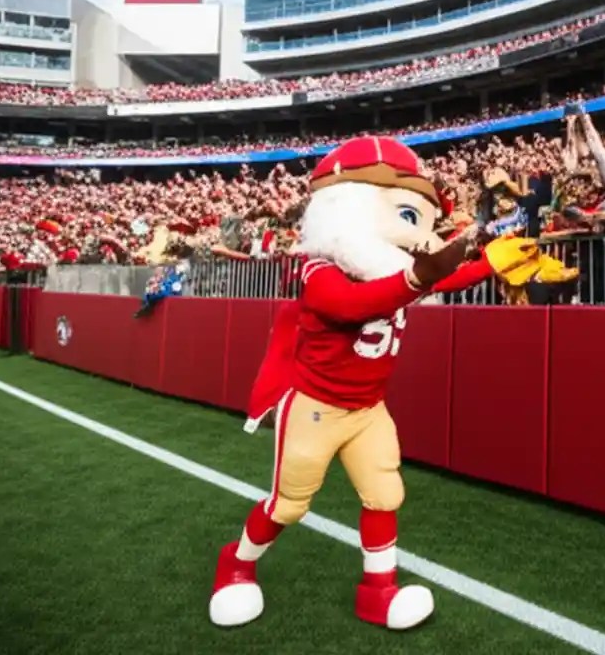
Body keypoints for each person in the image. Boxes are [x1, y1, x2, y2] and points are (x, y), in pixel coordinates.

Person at [208, 136, 564, 631]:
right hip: (316, 407)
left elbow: (432, 281)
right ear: (350, 207)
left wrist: (491, 264)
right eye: (408, 216)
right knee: (289, 505)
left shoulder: (393, 268)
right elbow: (349, 305)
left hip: (367, 409)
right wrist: (420, 277)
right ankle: (236, 565)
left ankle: (378, 591)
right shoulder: (320, 267)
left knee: (384, 495)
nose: (419, 236)